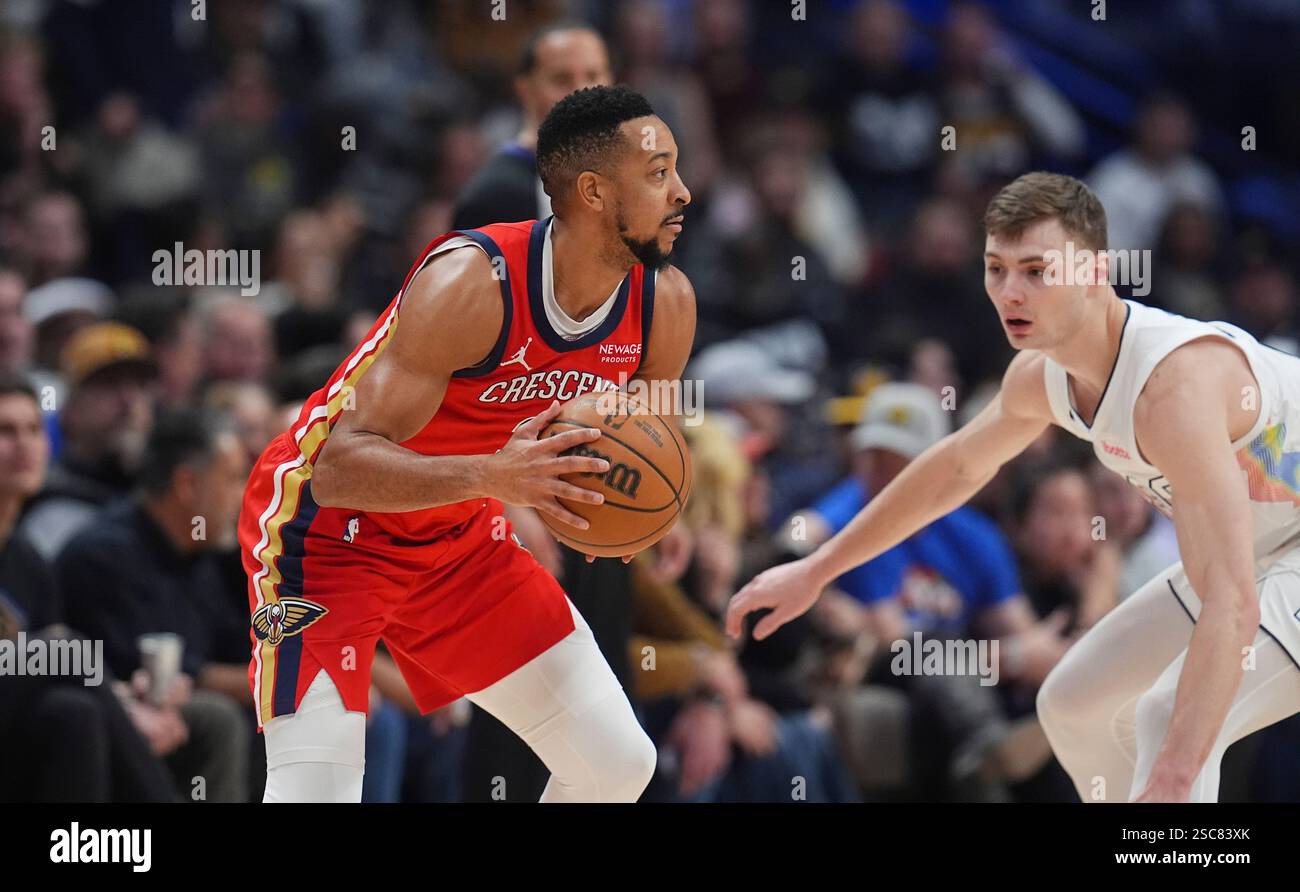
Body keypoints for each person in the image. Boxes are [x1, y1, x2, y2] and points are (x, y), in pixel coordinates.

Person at [727, 171, 1300, 803]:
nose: (1009, 291)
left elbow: (1233, 604)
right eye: (995, 268)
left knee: (1172, 731)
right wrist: (816, 569)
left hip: (1280, 558)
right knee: (1074, 703)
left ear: (1094, 272)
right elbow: (956, 469)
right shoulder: (1041, 377)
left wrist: (1172, 780)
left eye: (1035, 270)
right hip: (1263, 549)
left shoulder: (1173, 390)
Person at [240, 85, 696, 803]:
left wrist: (667, 518)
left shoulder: (665, 304)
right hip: (325, 541)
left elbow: (646, 443)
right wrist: (499, 477)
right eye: (660, 172)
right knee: (316, 794)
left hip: (458, 541)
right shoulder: (471, 283)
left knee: (617, 764)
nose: (684, 192)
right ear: (594, 192)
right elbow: (336, 469)